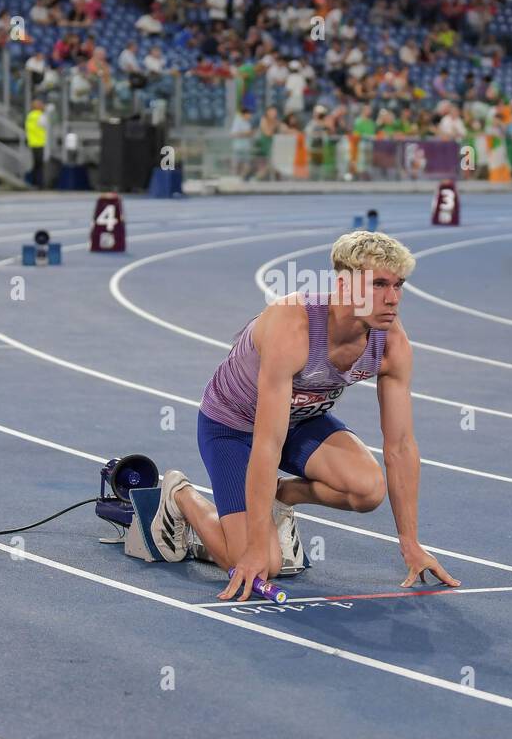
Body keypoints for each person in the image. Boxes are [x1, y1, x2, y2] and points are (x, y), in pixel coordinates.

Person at [132, 231, 459, 599]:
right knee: (262, 563)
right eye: (379, 284)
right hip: (233, 427)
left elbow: (399, 446)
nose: (393, 298)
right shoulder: (292, 325)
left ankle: (281, 495)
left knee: (368, 490)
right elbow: (266, 443)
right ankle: (181, 496)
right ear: (343, 284)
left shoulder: (391, 343)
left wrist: (410, 544)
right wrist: (255, 547)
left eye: (399, 285)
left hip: (299, 422)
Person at [24, 98, 48, 188]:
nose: (42, 105)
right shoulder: (40, 116)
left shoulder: (30, 115)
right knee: (39, 164)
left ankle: (35, 182)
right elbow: (47, 124)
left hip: (33, 142)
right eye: (40, 104)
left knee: (37, 164)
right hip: (39, 142)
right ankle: (39, 183)